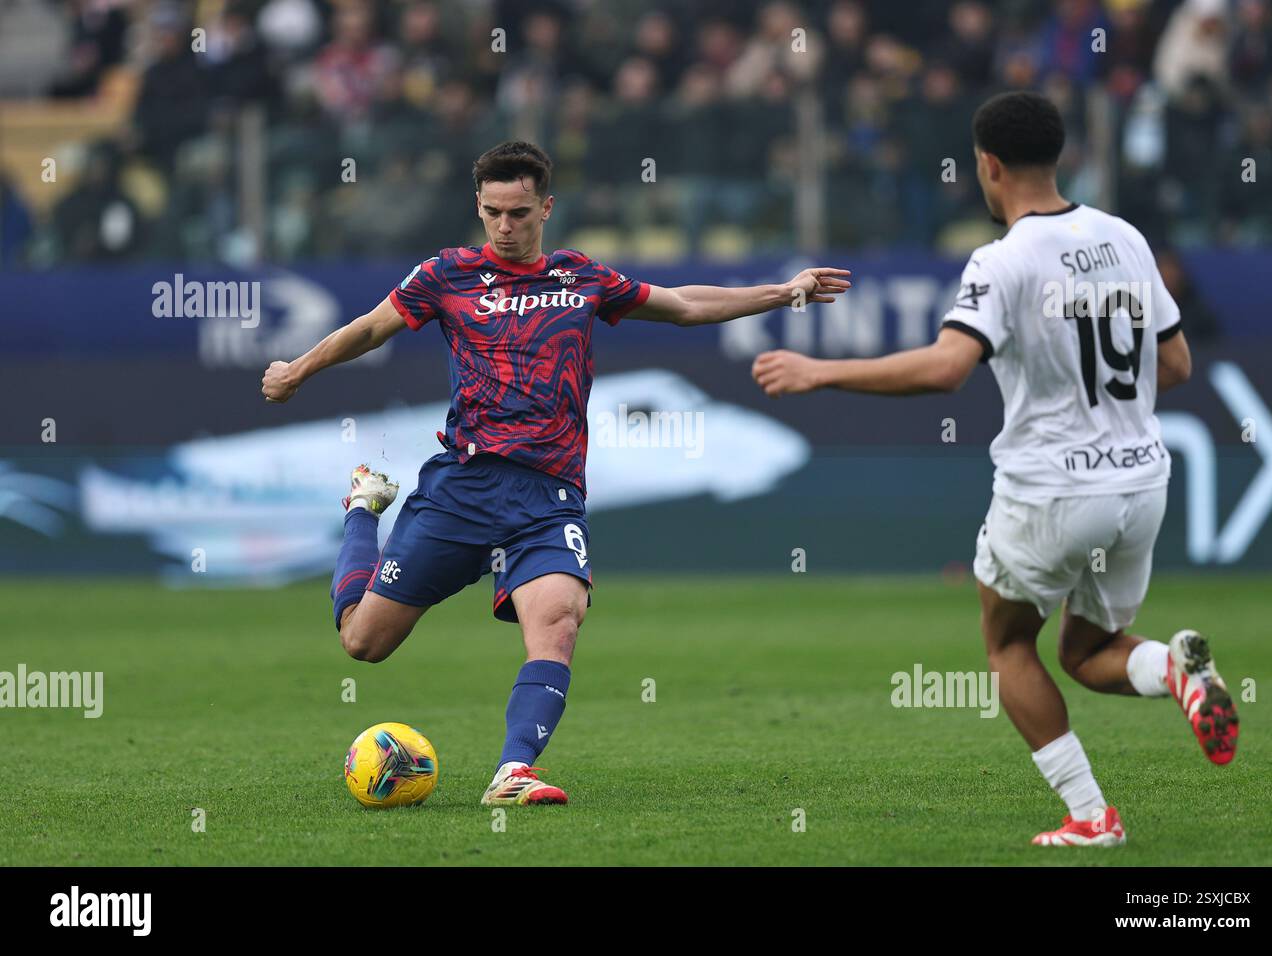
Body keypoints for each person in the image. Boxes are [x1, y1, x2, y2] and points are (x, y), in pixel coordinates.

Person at [262, 141, 850, 806]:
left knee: (560, 621)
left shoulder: (582, 278)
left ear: (546, 207)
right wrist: (297, 370)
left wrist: (784, 292)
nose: (505, 227)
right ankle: (362, 511)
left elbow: (684, 303)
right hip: (462, 486)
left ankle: (512, 772)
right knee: (363, 644)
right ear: (478, 207)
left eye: (518, 213)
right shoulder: (445, 275)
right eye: (492, 213)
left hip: (548, 495)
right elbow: (371, 329)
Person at [751, 91, 1237, 846]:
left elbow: (947, 368)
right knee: (1087, 652)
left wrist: (821, 372)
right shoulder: (1127, 239)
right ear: (1061, 154)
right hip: (1140, 482)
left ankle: (1090, 816)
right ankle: (1176, 670)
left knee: (1009, 646)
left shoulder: (1003, 260)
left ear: (988, 165)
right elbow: (1174, 362)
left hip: (1050, 488)